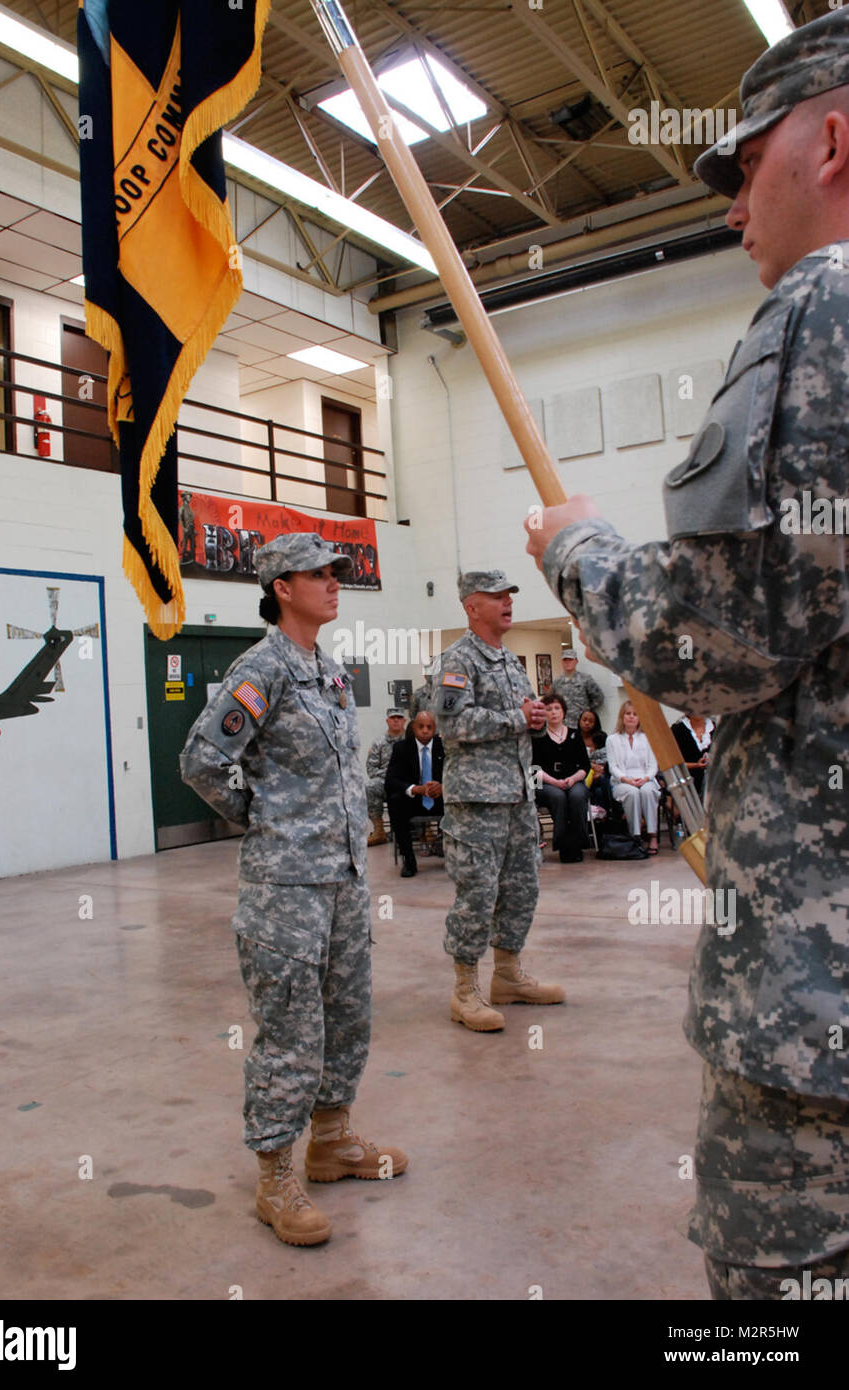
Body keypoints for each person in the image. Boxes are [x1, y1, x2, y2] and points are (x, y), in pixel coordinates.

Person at [523, 9, 849, 1300]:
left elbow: (713, 635)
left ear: (833, 140)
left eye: (745, 161)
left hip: (816, 1024)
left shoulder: (821, 307)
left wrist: (580, 549)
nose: (728, 208)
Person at [179, 531, 407, 1248]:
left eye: (337, 573)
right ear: (283, 587)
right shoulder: (261, 669)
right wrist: (260, 816)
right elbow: (201, 759)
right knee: (292, 1034)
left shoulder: (328, 672)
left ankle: (332, 1141)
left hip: (341, 882)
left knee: (347, 1018)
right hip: (286, 889)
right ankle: (274, 1178)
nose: (335, 583)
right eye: (320, 574)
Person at [433, 570, 565, 1032]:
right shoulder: (457, 660)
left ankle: (507, 976)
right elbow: (451, 725)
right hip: (476, 803)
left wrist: (532, 718)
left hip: (517, 794)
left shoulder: (510, 662)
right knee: (477, 894)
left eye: (510, 594)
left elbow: (521, 717)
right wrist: (515, 718)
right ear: (472, 606)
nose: (508, 601)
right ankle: (464, 989)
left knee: (521, 888)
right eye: (496, 596)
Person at [385, 709, 444, 877]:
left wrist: (442, 787)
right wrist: (415, 789)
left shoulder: (444, 747)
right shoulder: (401, 748)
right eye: (421, 726)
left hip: (441, 799)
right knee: (395, 800)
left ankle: (457, 855)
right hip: (414, 800)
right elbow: (391, 781)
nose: (425, 731)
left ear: (435, 728)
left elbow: (459, 775)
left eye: (429, 727)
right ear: (413, 727)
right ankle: (408, 859)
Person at [532, 694, 590, 862]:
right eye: (549, 709)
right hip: (545, 782)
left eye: (557, 708)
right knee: (558, 797)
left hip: (573, 779)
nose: (554, 712)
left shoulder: (575, 735)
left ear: (564, 712)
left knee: (577, 795)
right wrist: (555, 782)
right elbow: (534, 769)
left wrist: (572, 779)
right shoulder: (537, 736)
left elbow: (585, 766)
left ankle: (578, 843)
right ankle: (563, 845)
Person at [605, 701, 661, 855]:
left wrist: (646, 778)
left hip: (645, 779)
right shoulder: (612, 739)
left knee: (648, 792)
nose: (631, 717)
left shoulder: (647, 738)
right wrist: (626, 779)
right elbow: (613, 767)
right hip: (622, 781)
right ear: (622, 716)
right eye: (628, 713)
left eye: (635, 714)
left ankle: (652, 835)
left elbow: (653, 765)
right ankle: (635, 836)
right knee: (633, 793)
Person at [365, 707, 407, 846]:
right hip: (386, 783)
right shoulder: (379, 743)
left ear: (404, 721)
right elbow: (371, 769)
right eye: (393, 718)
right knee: (369, 787)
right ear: (387, 721)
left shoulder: (411, 740)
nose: (396, 720)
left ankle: (421, 831)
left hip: (407, 781)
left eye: (399, 718)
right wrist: (389, 775)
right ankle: (379, 831)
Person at [552, 648, 605, 727]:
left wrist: (587, 710)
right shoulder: (557, 682)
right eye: (565, 660)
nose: (567, 662)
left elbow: (599, 698)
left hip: (582, 724)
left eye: (570, 660)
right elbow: (550, 701)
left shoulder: (585, 679)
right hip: (563, 725)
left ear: (576, 661)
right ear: (562, 662)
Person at [670, 713, 715, 802]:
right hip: (687, 778)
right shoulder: (677, 730)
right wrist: (696, 765)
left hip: (713, 778)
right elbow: (673, 763)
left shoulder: (715, 727)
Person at [578, 707, 612, 821]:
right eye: (584, 720)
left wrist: (601, 769)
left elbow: (608, 757)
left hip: (600, 774)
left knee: (601, 785)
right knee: (598, 791)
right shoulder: (574, 737)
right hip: (582, 776)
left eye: (591, 721)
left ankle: (606, 817)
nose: (587, 723)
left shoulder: (601, 737)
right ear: (579, 721)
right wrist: (592, 766)